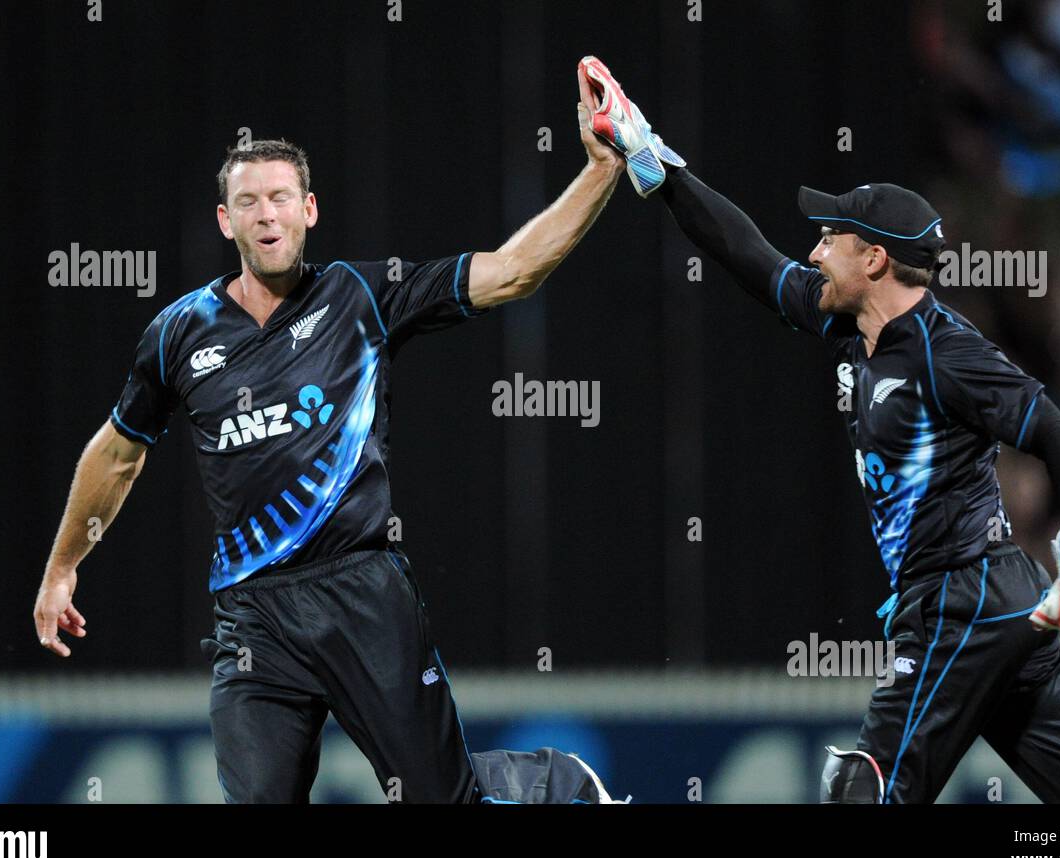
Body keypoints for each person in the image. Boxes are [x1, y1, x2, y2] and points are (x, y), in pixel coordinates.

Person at [576, 55, 1060, 803]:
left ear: (873, 258)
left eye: (829, 236)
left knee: (861, 791)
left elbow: (1059, 438)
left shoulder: (947, 352)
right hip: (992, 606)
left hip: (959, 599)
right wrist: (652, 158)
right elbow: (747, 254)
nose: (812, 251)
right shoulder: (849, 324)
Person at [31, 70, 626, 804]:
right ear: (226, 222)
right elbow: (118, 454)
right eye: (247, 202)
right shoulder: (177, 335)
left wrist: (601, 170)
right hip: (254, 616)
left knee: (442, 799)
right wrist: (63, 567)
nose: (266, 214)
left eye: (281, 197)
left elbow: (511, 274)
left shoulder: (358, 296)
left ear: (309, 210)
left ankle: (548, 780)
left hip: (362, 595)